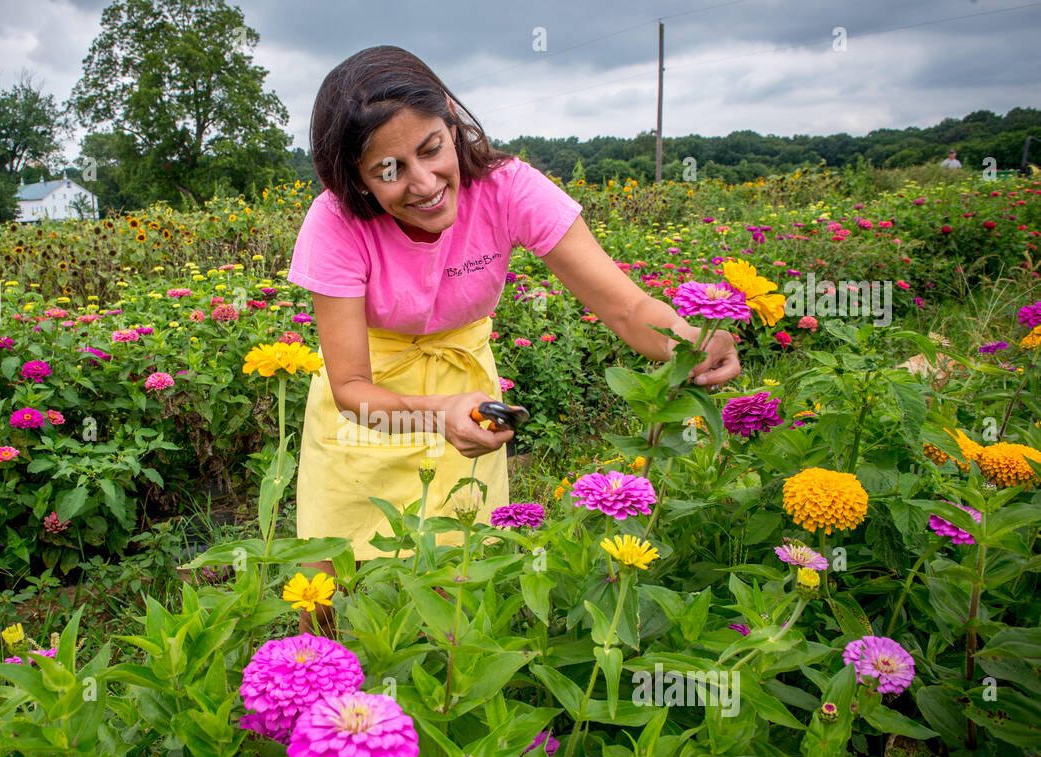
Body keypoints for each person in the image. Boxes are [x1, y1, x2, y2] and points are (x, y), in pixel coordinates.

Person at [286, 46, 741, 638]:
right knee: (331, 584)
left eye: (431, 149)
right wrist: (434, 416)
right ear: (356, 180)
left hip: (465, 396)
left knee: (460, 576)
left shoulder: (507, 187)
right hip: (368, 411)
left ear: (451, 121)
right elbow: (351, 388)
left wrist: (690, 339)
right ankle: (319, 688)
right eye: (388, 170)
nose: (424, 184)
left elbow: (626, 307)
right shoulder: (335, 223)